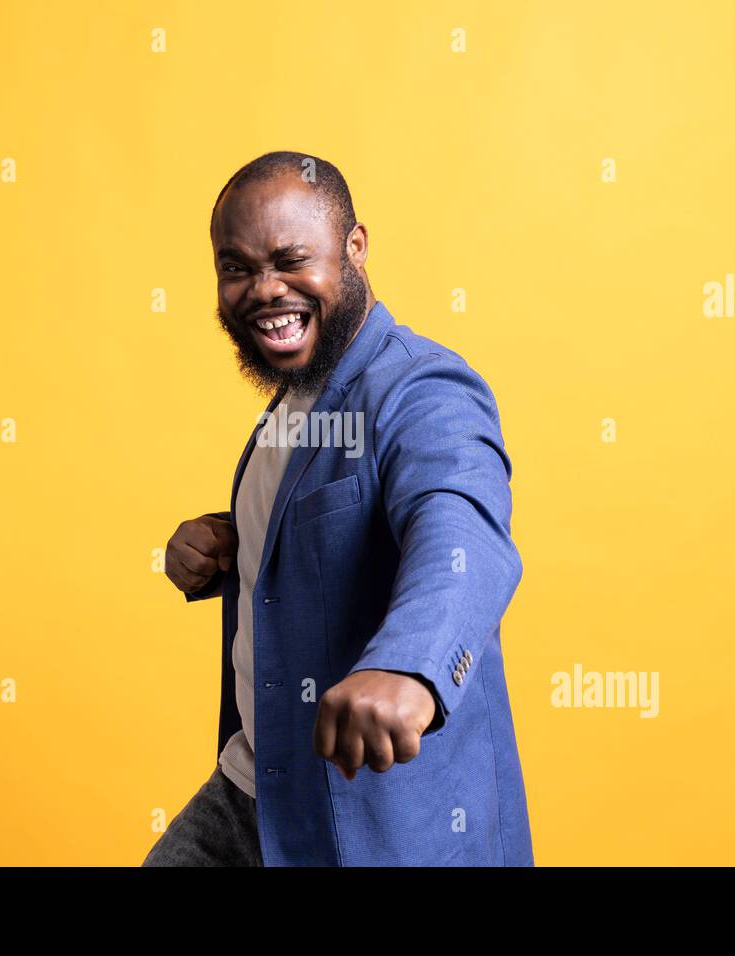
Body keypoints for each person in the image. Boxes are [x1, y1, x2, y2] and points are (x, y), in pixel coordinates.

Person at [143, 151, 534, 866]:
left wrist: (411, 668)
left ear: (354, 248)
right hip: (256, 785)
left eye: (291, 260)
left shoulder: (422, 387)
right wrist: (224, 544)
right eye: (237, 268)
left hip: (374, 822)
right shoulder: (296, 401)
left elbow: (460, 527)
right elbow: (331, 527)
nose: (264, 289)